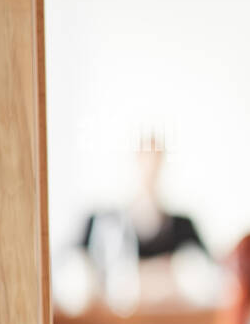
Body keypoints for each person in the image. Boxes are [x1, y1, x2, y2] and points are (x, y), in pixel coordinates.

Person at [74, 129, 215, 308]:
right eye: (145, 160)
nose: (150, 170)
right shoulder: (104, 224)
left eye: (155, 161)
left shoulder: (184, 227)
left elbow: (206, 279)